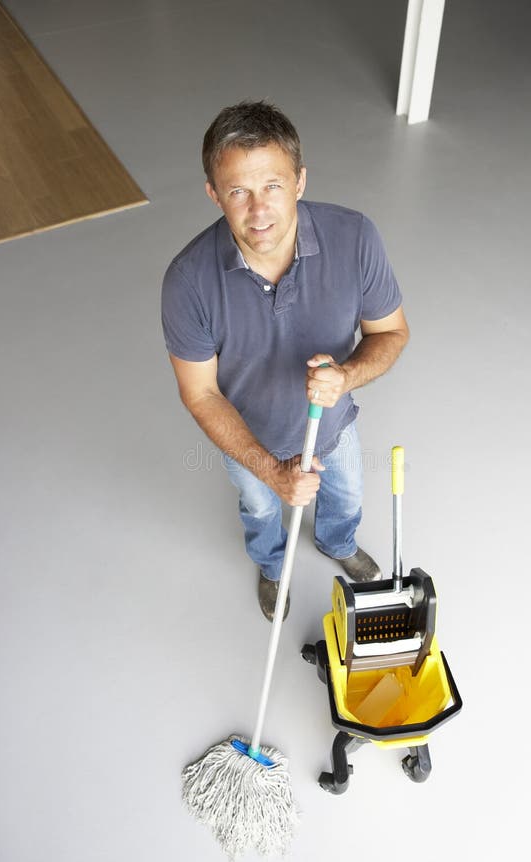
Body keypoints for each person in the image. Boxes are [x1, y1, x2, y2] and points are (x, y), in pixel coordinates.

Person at [162, 100, 409, 622]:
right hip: (249, 439)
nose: (258, 211)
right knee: (259, 508)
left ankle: (337, 542)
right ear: (213, 193)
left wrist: (346, 376)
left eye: (272, 186)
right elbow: (200, 394)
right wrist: (273, 472)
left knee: (346, 496)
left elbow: (391, 332)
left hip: (333, 424)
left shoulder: (355, 237)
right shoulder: (187, 281)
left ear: (299, 181)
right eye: (237, 191)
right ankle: (273, 566)